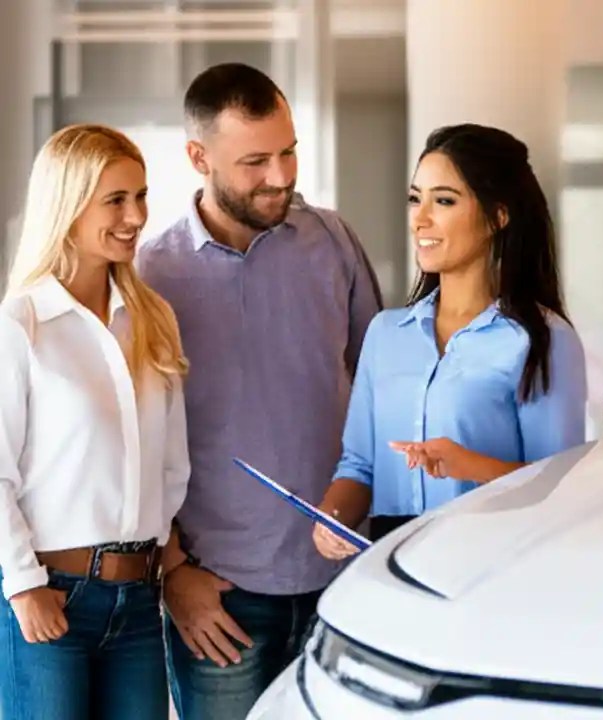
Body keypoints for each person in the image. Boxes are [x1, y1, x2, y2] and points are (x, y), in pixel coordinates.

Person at [135, 63, 382, 719]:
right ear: (198, 157)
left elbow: (379, 395)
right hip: (220, 597)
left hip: (343, 584)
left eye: (289, 151)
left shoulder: (334, 242)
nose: (280, 175)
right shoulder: (148, 274)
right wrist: (175, 574)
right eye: (254, 161)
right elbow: (131, 445)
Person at [312, 123, 586, 555]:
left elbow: (559, 485)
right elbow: (360, 468)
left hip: (491, 565)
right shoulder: (386, 334)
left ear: (499, 215)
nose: (420, 218)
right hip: (392, 563)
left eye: (443, 201)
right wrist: (332, 518)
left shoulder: (542, 339)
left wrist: (468, 465)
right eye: (415, 198)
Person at [0, 123, 190, 720]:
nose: (136, 216)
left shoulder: (152, 318)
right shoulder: (22, 324)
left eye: (141, 196)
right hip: (51, 596)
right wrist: (25, 588)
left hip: (138, 602)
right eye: (116, 200)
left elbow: (171, 466)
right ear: (70, 205)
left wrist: (170, 559)